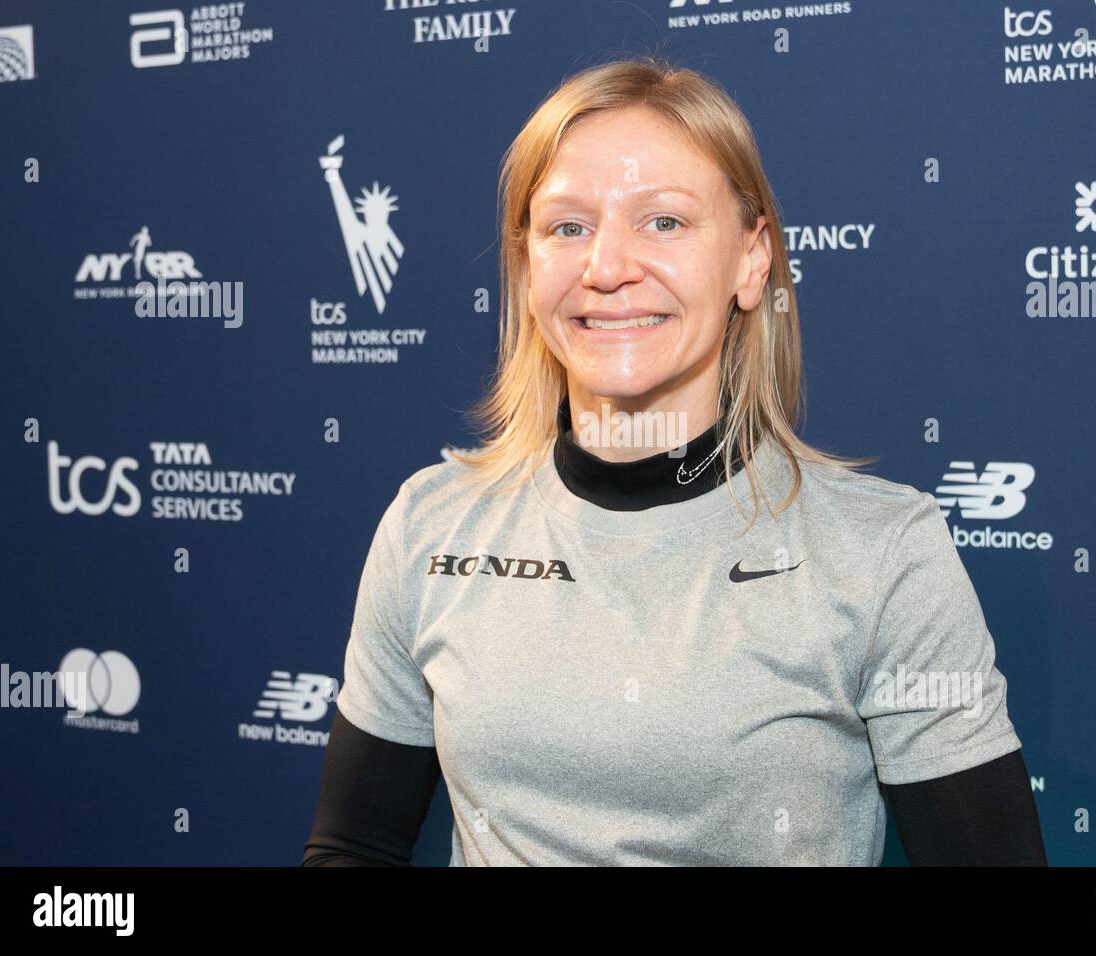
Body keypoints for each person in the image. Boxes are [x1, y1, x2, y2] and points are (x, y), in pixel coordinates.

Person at [303, 55, 1046, 866]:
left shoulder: (880, 554)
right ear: (525, 267)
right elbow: (352, 847)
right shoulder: (431, 524)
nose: (608, 267)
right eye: (567, 226)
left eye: (664, 221)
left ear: (752, 260)